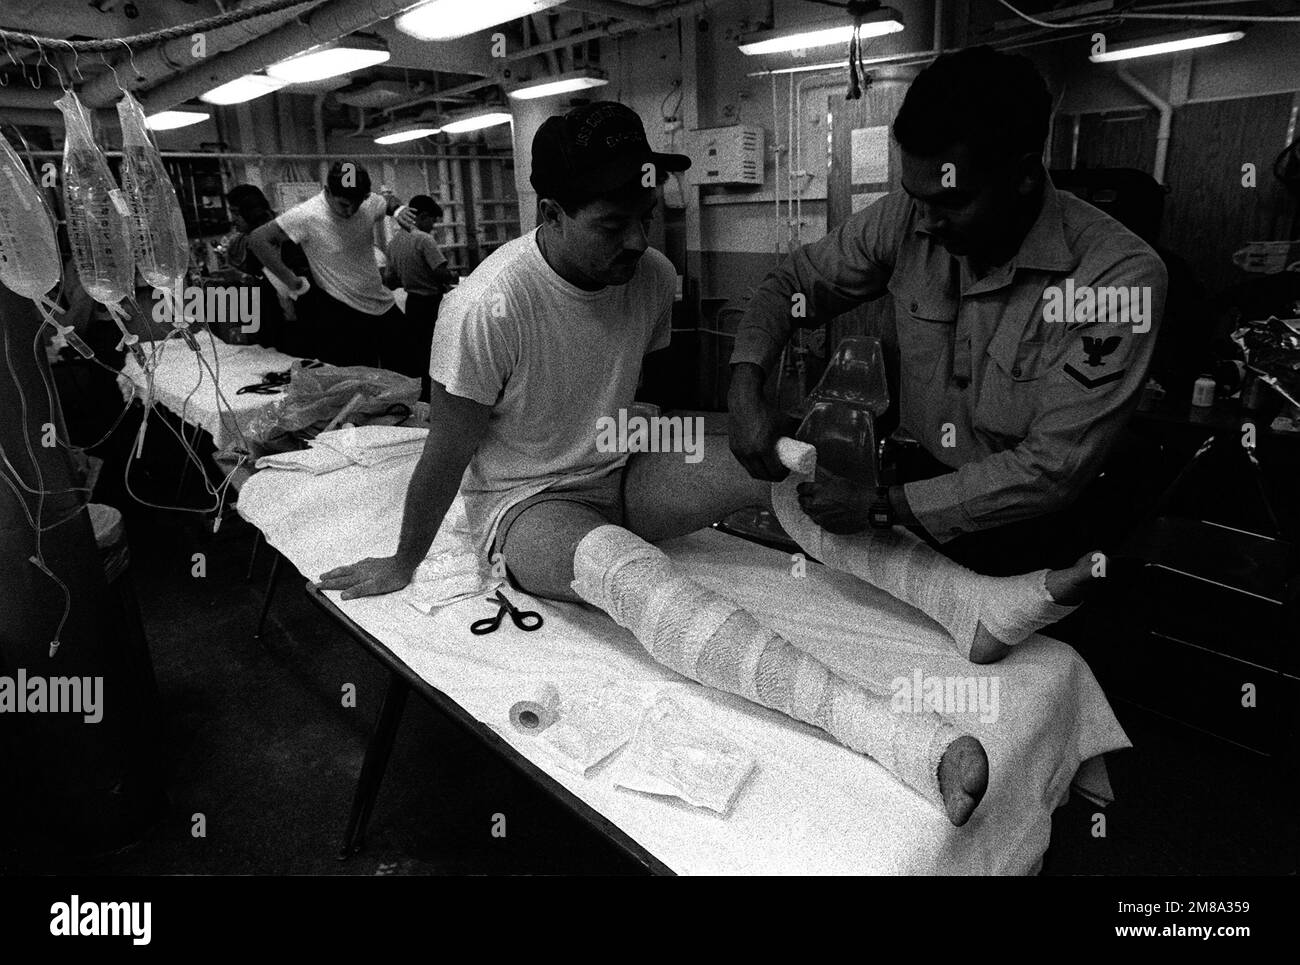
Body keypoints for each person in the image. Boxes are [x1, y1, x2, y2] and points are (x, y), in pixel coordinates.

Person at [728, 46, 1169, 576]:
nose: (927, 223)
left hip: (1032, 524)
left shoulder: (1115, 277)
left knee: (1016, 645)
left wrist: (880, 506)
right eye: (916, 196)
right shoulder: (908, 218)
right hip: (914, 485)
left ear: (1025, 175)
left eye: (952, 201)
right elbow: (790, 285)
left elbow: (1053, 469)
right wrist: (744, 387)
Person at [247, 162, 417, 367]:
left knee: (409, 364)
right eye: (344, 204)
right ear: (327, 191)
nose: (351, 211)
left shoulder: (368, 203)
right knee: (358, 379)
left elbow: (387, 201)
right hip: (341, 309)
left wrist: (398, 210)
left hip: (380, 301)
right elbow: (258, 239)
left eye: (357, 203)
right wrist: (290, 281)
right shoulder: (307, 215)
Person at [383, 194, 456, 398]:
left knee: (420, 352)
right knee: (439, 353)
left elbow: (390, 280)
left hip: (412, 304)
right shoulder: (423, 239)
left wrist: (410, 276)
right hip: (431, 304)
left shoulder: (394, 243)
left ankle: (424, 396)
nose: (433, 226)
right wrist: (454, 275)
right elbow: (440, 272)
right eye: (432, 220)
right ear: (422, 216)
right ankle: (442, 397)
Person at [223, 184, 310, 353]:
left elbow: (291, 287)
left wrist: (242, 278)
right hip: (268, 324)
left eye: (236, 213)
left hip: (293, 326)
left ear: (251, 212)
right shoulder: (247, 243)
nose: (233, 219)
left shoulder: (283, 240)